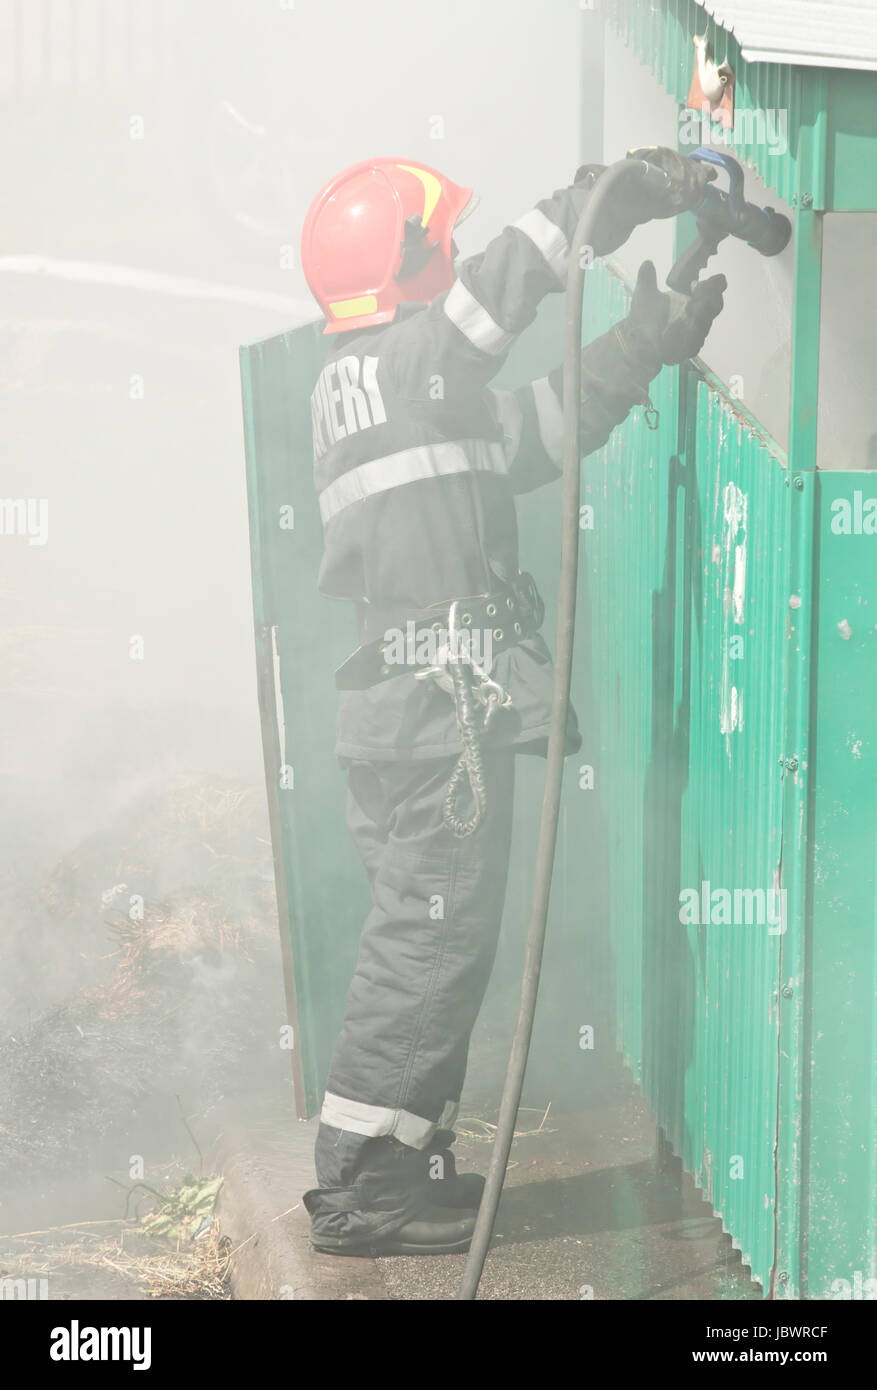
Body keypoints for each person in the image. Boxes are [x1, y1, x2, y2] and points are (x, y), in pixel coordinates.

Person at [299, 151, 725, 1255]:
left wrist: (639, 348)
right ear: (401, 269)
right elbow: (500, 292)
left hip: (416, 716)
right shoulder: (404, 363)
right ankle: (361, 1193)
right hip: (431, 720)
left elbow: (528, 435)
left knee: (436, 945)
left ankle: (402, 1166)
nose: (446, 263)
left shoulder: (387, 385)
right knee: (428, 948)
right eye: (430, 248)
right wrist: (597, 201)